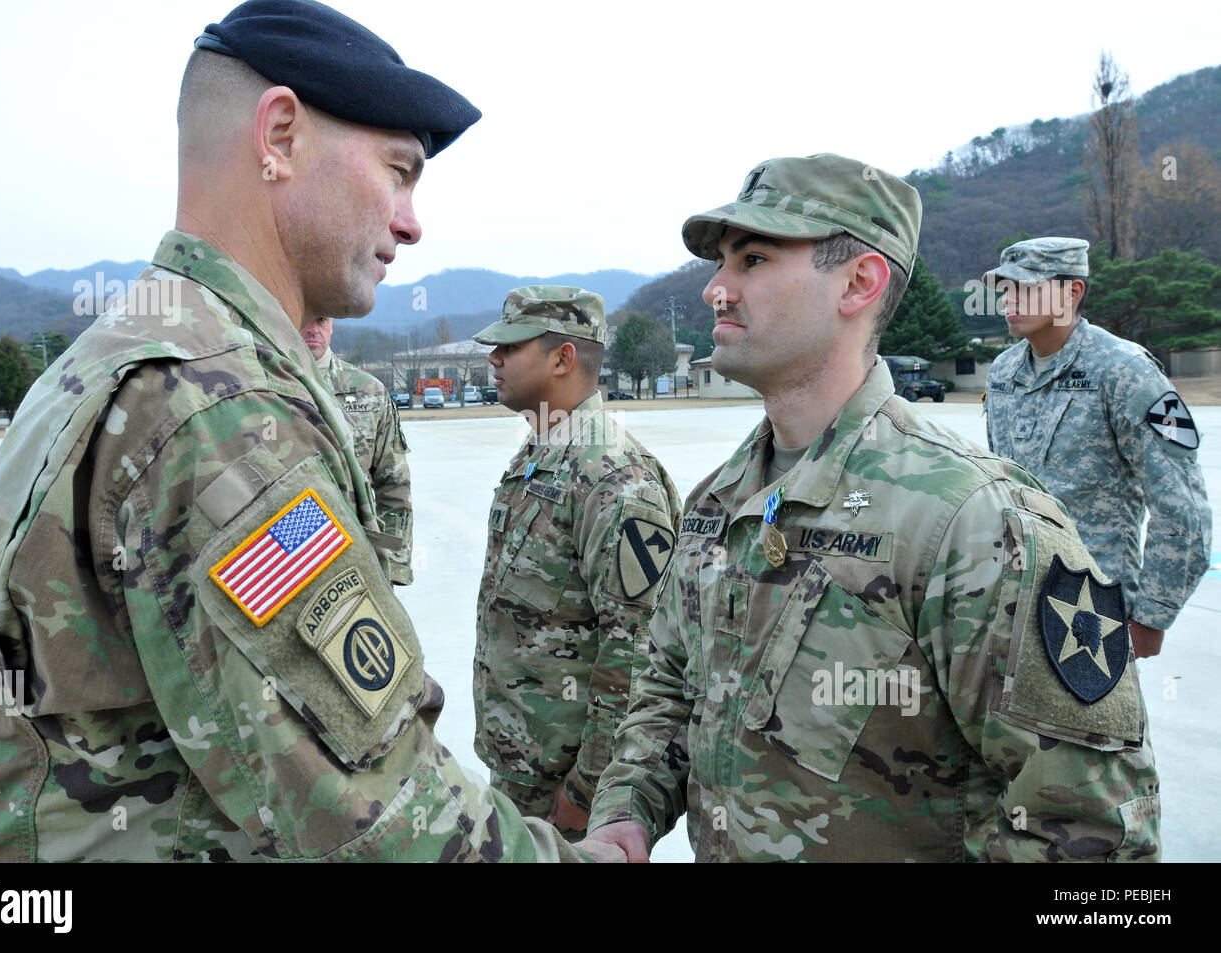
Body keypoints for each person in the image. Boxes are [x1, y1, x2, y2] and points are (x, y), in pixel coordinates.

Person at [0, 0, 620, 864]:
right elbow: (380, 815)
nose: (411, 220)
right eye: (398, 171)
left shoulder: (131, 350)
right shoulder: (214, 408)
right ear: (280, 135)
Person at [583, 154, 1161, 862]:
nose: (715, 290)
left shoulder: (978, 521)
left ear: (860, 282)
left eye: (753, 259)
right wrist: (626, 811)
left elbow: (1094, 837)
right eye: (721, 264)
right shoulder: (717, 502)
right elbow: (668, 693)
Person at [471, 286, 682, 837]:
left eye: (510, 347)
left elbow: (640, 647)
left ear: (563, 358)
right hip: (521, 772)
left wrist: (589, 789)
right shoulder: (540, 455)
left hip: (569, 794)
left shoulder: (613, 477)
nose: (493, 358)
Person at [983, 237, 1211, 659]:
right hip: (1013, 595)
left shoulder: (1125, 371)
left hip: (1092, 607)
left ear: (1072, 292)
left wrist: (1151, 618)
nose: (1009, 300)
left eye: (1026, 287)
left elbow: (1182, 508)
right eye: (1005, 288)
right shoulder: (1004, 372)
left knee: (1093, 725)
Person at [303, 315, 413, 586]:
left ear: (332, 325)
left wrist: (395, 565)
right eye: (305, 319)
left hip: (358, 562)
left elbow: (394, 484)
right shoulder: (262, 385)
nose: (313, 329)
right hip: (287, 563)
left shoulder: (369, 391)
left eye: (321, 320)